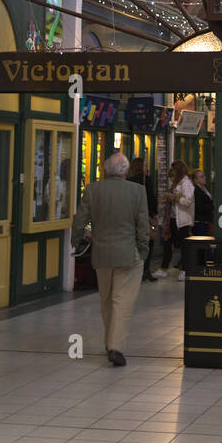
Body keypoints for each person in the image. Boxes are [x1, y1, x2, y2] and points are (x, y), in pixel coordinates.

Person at [71, 150, 149, 367]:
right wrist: (143, 250)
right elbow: (142, 225)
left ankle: (108, 342)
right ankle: (115, 346)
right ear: (125, 171)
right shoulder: (137, 191)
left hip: (101, 253)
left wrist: (76, 242)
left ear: (105, 169)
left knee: (106, 299)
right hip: (127, 254)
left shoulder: (93, 189)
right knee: (122, 301)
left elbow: (80, 220)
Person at [153, 159, 194, 280]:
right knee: (167, 243)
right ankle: (164, 268)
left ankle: (184, 270)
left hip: (182, 220)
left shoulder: (186, 184)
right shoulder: (175, 184)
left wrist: (173, 197)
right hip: (172, 219)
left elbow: (187, 201)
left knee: (183, 246)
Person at [128, 155, 158, 282]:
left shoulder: (128, 180)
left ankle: (135, 269)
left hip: (132, 216)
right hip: (144, 215)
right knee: (147, 241)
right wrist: (154, 214)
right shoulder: (147, 180)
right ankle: (145, 269)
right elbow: (150, 198)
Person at [191, 169, 214, 237]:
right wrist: (212, 206)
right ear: (195, 180)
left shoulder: (204, 188)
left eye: (204, 176)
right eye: (201, 177)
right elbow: (199, 208)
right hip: (200, 223)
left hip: (205, 222)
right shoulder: (196, 191)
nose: (204, 178)